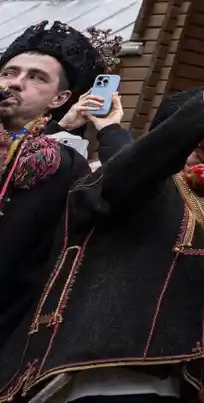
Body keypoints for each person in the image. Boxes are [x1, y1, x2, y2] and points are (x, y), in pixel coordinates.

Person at [0, 57, 204, 403]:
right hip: (96, 376)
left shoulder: (201, 203)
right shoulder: (118, 180)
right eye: (201, 135)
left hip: (171, 383)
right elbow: (138, 167)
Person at [0, 20, 112, 345]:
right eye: (9, 72)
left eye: (36, 77)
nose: (16, 83)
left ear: (59, 97)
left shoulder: (60, 162)